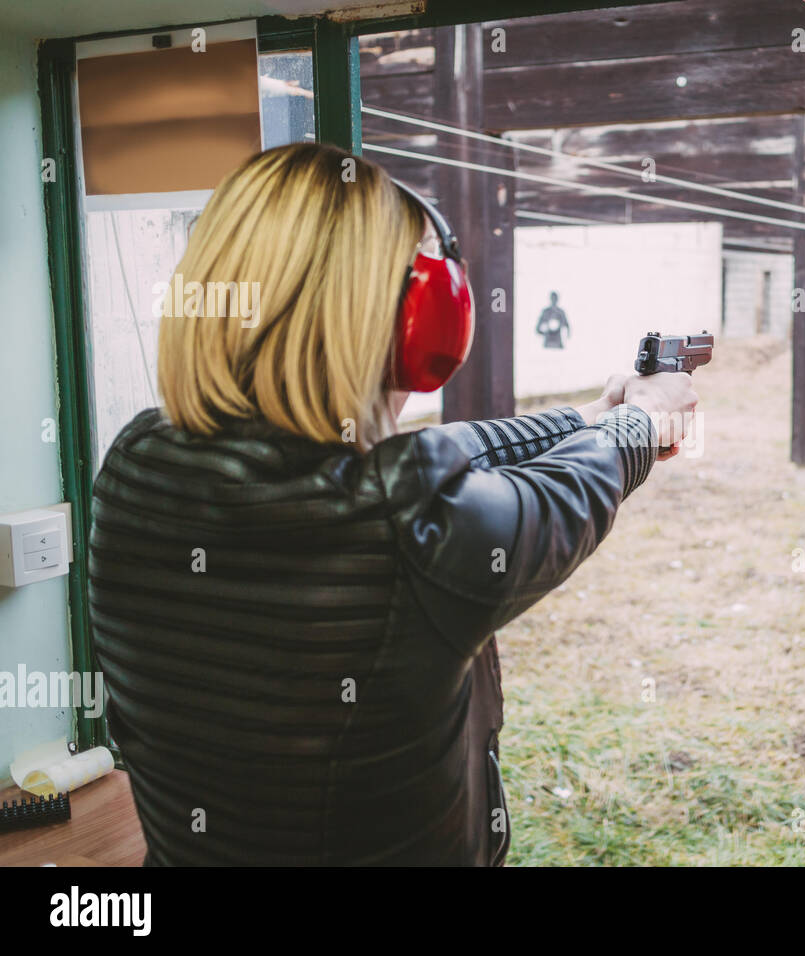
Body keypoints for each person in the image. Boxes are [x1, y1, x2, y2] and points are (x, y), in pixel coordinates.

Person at [87, 142, 698, 866]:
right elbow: (566, 493)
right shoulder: (409, 520)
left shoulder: (133, 464)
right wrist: (645, 418)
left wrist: (582, 418)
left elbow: (444, 454)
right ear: (413, 329)